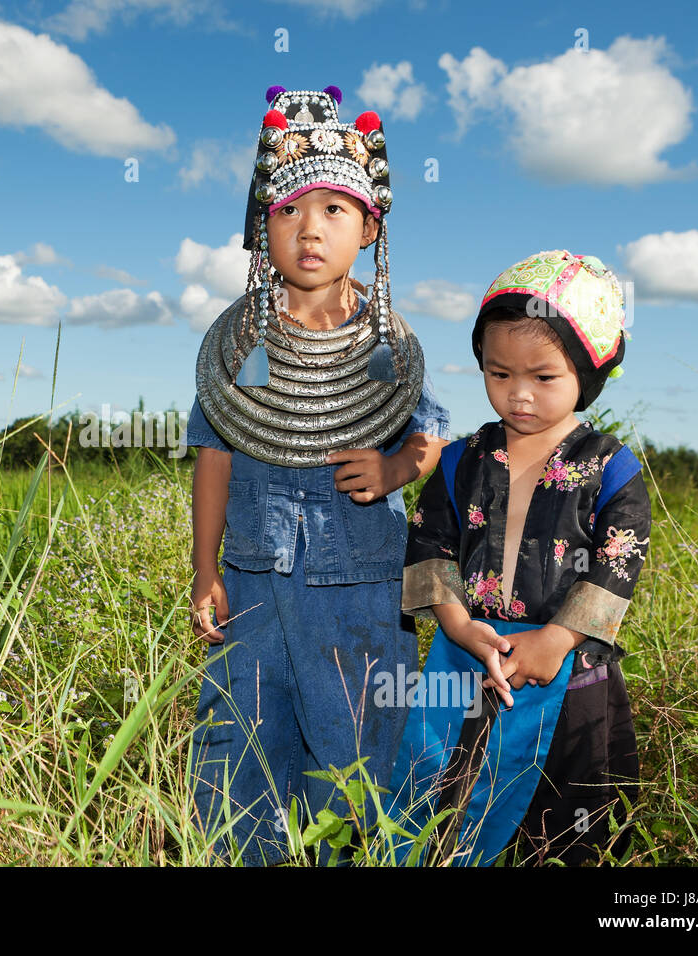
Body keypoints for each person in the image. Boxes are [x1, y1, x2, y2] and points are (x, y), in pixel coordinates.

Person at [185, 85, 449, 867]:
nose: (310, 229)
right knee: (247, 735)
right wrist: (205, 566)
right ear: (262, 228)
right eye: (289, 211)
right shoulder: (238, 346)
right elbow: (214, 454)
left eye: (334, 210)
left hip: (361, 581)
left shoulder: (390, 346)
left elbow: (429, 434)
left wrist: (394, 466)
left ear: (368, 229)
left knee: (358, 735)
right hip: (255, 574)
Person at [388, 249, 649, 866]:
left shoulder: (610, 469)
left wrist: (555, 639)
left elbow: (619, 563)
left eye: (544, 376)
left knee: (559, 815)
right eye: (499, 373)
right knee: (443, 787)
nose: (519, 395)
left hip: (567, 667)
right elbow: (431, 543)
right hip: (469, 655)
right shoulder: (463, 460)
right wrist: (456, 623)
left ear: (589, 373)